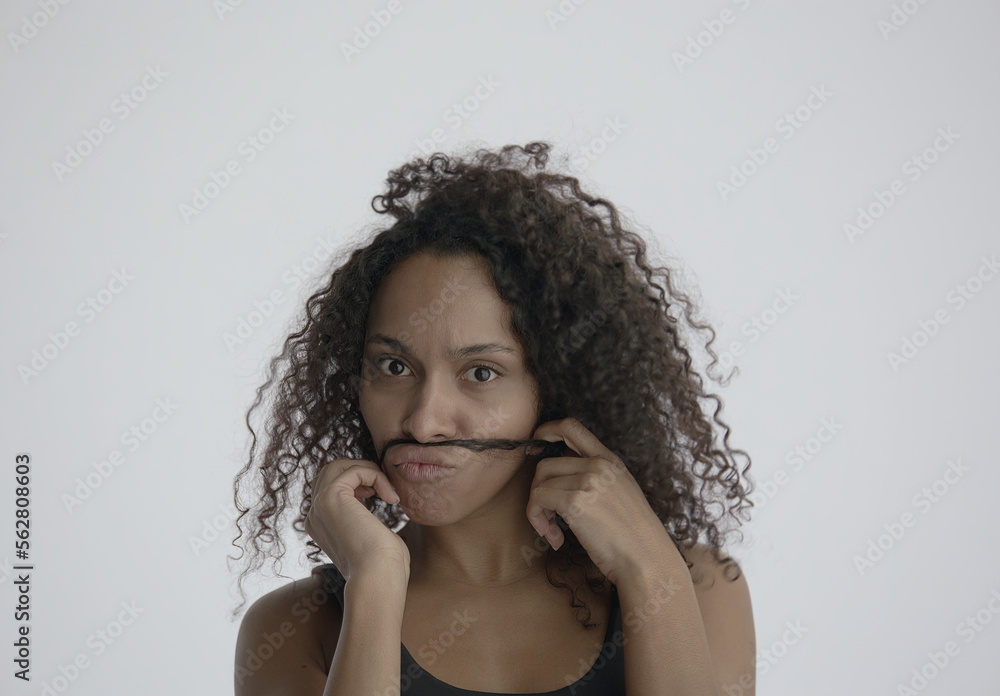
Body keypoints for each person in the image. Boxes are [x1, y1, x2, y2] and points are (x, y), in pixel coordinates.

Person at [231, 141, 757, 695]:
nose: (424, 422)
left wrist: (651, 572)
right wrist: (376, 587)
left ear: (556, 389)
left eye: (480, 373)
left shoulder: (697, 590)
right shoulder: (296, 629)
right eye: (393, 365)